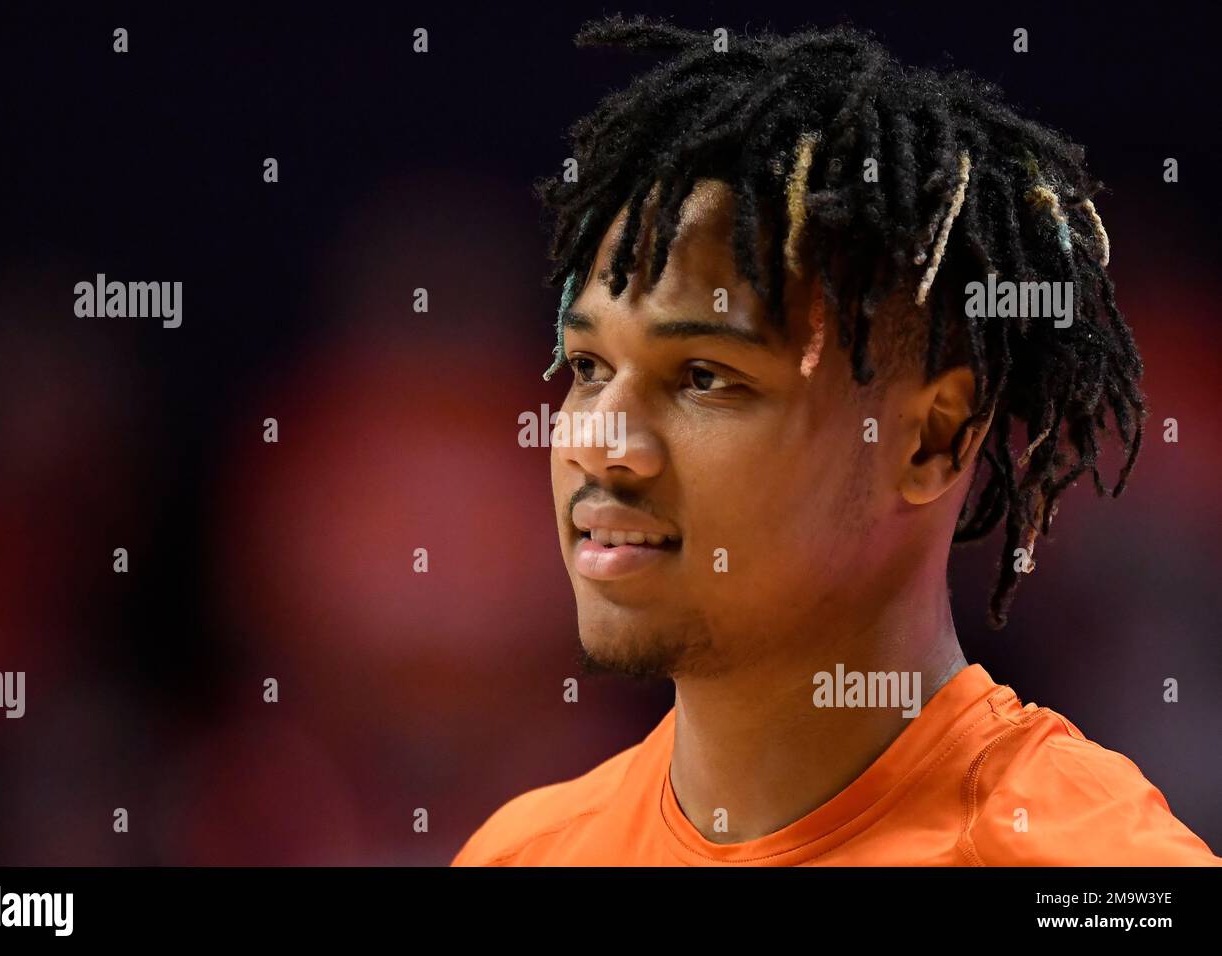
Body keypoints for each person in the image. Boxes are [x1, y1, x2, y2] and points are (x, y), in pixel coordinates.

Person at [452, 15, 1219, 866]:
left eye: (705, 376)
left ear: (931, 439)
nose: (601, 443)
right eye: (590, 366)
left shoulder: (1098, 873)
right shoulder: (520, 853)